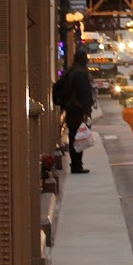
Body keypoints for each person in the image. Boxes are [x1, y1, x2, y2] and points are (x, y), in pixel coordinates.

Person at [52, 46, 97, 175]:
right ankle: (77, 165)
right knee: (78, 137)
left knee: (74, 136)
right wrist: (87, 109)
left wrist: (61, 103)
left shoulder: (70, 71)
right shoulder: (80, 73)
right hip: (78, 110)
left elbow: (56, 86)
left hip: (71, 109)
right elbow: (84, 94)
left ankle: (76, 163)